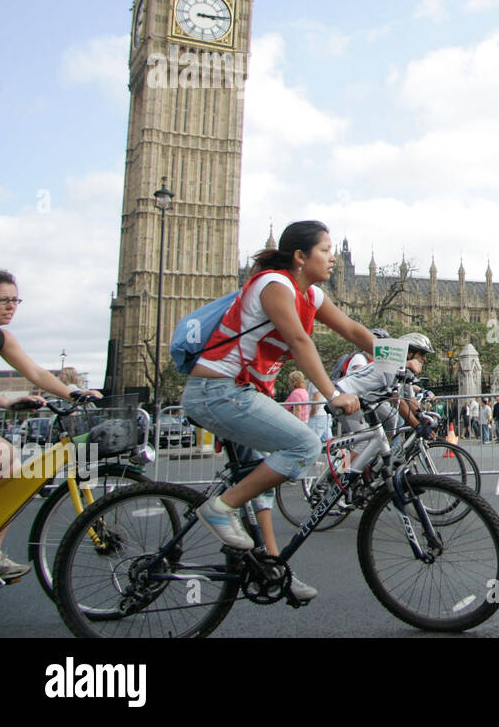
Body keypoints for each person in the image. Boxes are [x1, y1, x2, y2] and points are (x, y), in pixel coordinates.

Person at [181, 221, 371, 601]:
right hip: (218, 391)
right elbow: (299, 341)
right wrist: (331, 392)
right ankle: (220, 508)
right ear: (300, 257)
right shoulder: (274, 285)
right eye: (324, 250)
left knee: (260, 482)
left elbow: (351, 329)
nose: (333, 257)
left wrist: (395, 355)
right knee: (303, 445)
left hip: (244, 394)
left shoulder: (311, 295)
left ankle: (272, 568)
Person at [0, 269, 104, 581]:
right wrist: (5, 401)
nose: (11, 306)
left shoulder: (2, 337)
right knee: (5, 458)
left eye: (15, 300)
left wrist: (74, 392)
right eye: (3, 300)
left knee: (9, 472)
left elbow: (37, 373)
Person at [332, 332, 435, 436]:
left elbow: (409, 398)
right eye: (422, 354)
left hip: (360, 402)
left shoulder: (403, 371)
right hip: (343, 395)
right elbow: (397, 401)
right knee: (362, 445)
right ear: (409, 353)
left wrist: (421, 416)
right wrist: (417, 426)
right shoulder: (390, 366)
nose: (424, 358)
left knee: (385, 432)